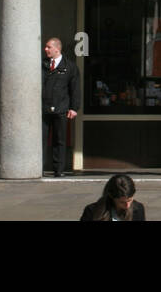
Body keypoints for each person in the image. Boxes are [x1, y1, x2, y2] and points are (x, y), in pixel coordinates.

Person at [43, 37, 81, 178]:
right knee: (41, 139)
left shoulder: (70, 67)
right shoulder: (42, 65)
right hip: (44, 108)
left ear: (57, 49)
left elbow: (75, 89)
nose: (45, 49)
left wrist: (74, 108)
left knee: (59, 140)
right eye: (46, 47)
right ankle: (39, 168)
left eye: (48, 47)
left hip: (61, 108)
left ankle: (59, 170)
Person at [80, 173, 145, 220]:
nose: (127, 205)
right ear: (111, 196)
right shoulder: (92, 211)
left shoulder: (138, 209)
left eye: (130, 200)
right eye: (122, 202)